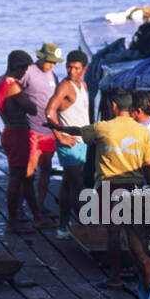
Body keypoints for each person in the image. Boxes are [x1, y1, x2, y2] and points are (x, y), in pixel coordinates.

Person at [52, 89, 150, 288]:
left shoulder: (103, 128)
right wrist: (149, 185)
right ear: (131, 108)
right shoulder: (143, 131)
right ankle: (141, 272)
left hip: (109, 186)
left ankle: (115, 277)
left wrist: (57, 127)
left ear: (114, 106)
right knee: (137, 231)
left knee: (113, 232)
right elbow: (149, 164)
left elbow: (78, 131)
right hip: (135, 185)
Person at [0, 49, 46, 233]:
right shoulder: (13, 85)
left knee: (22, 177)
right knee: (17, 179)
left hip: (7, 129)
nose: (25, 73)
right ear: (18, 67)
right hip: (18, 132)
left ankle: (36, 216)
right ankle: (13, 221)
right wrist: (29, 103)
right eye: (24, 69)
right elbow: (31, 108)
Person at [45, 49, 90, 239]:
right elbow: (49, 111)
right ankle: (85, 227)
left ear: (84, 69)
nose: (71, 71)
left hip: (82, 141)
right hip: (68, 143)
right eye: (69, 67)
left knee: (67, 184)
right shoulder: (65, 86)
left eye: (76, 68)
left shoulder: (84, 86)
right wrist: (59, 136)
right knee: (78, 185)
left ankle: (63, 227)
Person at [19, 43, 64, 227]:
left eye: (54, 62)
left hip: (49, 131)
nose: (51, 65)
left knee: (46, 169)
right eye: (49, 61)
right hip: (32, 129)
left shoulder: (53, 75)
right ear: (41, 57)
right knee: (28, 171)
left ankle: (39, 205)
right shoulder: (28, 71)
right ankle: (20, 208)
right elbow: (15, 92)